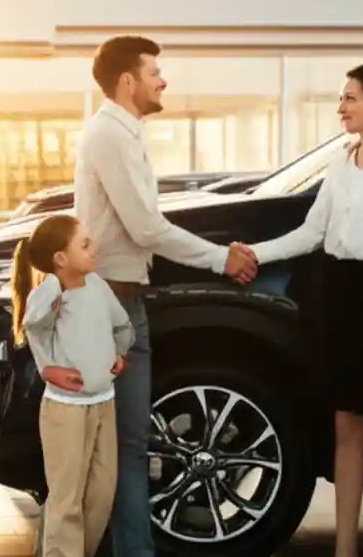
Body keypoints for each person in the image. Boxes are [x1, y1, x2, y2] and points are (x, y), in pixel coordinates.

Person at [236, 63, 363, 557]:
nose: (341, 107)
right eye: (341, 99)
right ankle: (346, 549)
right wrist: (257, 253)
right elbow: (311, 233)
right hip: (341, 298)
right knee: (346, 423)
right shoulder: (341, 163)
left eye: (350, 98)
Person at [74, 35, 255, 557]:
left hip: (124, 304)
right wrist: (222, 258)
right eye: (155, 70)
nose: (163, 79)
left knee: (123, 446)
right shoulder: (110, 135)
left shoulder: (122, 133)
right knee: (120, 447)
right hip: (110, 308)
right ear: (128, 81)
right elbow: (146, 228)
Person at [12, 214, 135, 557]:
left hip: (103, 404)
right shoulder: (50, 296)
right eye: (85, 244)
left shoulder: (98, 285)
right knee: (66, 498)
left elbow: (122, 326)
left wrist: (121, 354)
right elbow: (33, 325)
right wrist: (55, 283)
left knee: (100, 494)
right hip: (65, 410)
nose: (94, 247)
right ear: (60, 259)